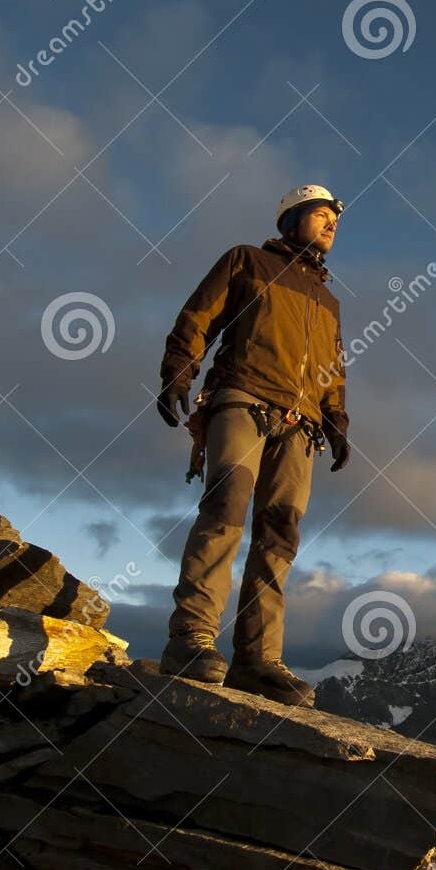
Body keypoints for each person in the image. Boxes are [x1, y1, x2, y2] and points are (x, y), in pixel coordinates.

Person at [155, 184, 351, 706]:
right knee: (226, 508)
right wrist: (179, 370)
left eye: (335, 216)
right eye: (320, 213)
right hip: (243, 399)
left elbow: (332, 370)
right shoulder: (248, 261)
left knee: (279, 535)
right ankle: (191, 639)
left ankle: (257, 660)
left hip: (302, 426)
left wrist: (337, 420)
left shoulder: (328, 300)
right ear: (291, 220)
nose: (332, 222)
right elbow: (198, 316)